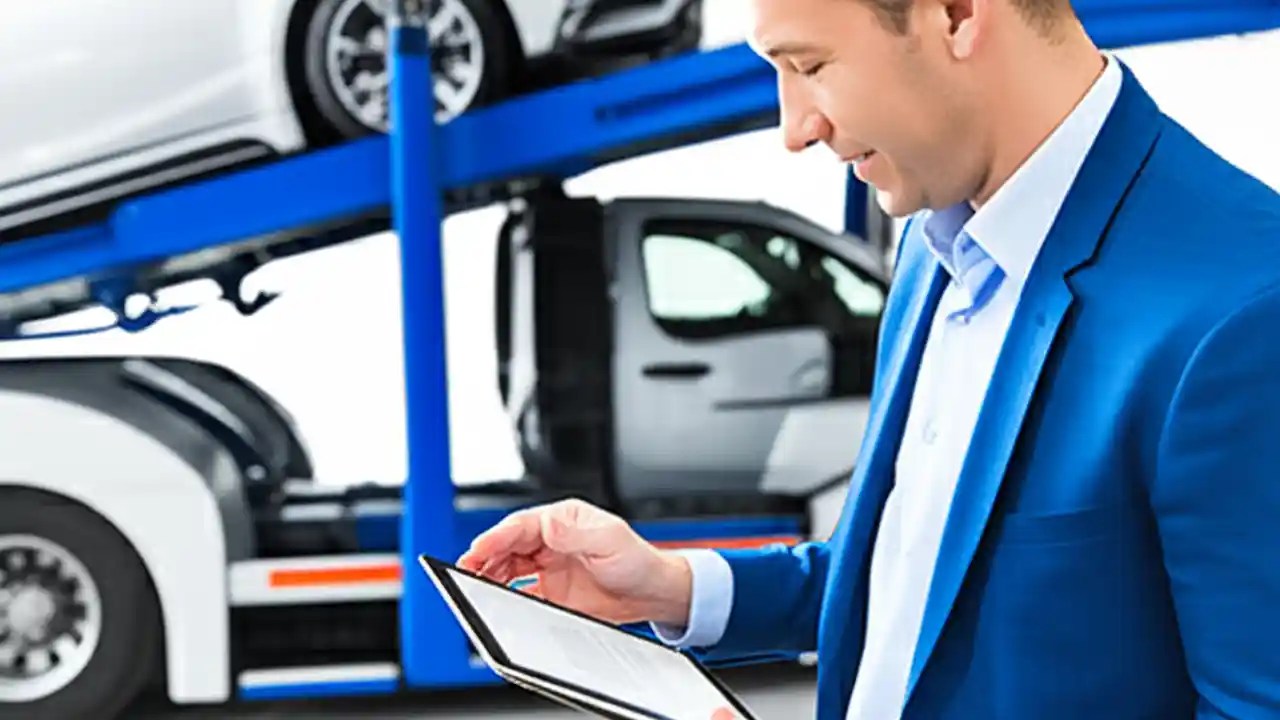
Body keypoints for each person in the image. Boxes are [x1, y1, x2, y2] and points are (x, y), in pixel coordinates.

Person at [459, 0, 1280, 717]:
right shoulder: (935, 244)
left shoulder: (1243, 311)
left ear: (956, 13)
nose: (794, 127)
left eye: (810, 65)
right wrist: (673, 588)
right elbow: (912, 576)